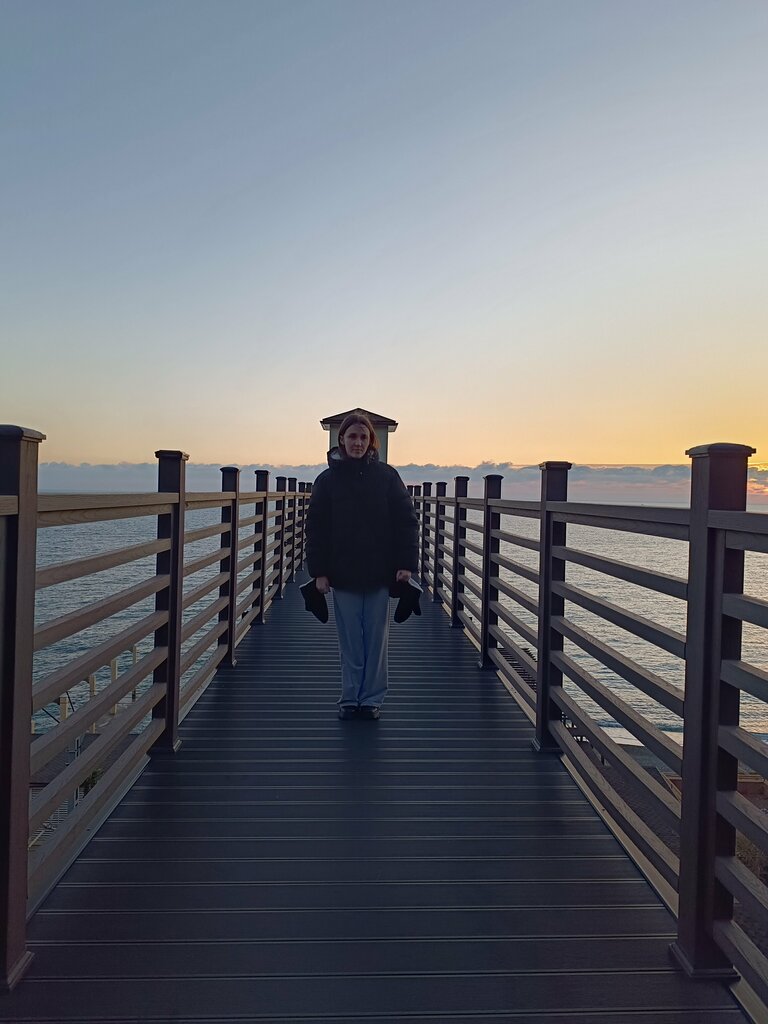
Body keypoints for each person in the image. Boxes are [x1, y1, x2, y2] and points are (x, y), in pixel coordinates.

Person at [305, 412, 419, 720]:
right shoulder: (326, 481)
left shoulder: (387, 476)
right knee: (351, 641)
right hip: (343, 574)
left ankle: (371, 699)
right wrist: (319, 571)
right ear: (340, 439)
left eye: (363, 437)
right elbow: (316, 527)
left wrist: (406, 564)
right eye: (352, 436)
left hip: (380, 572)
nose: (357, 442)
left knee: (376, 639)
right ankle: (349, 698)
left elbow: (406, 522)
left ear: (372, 442)